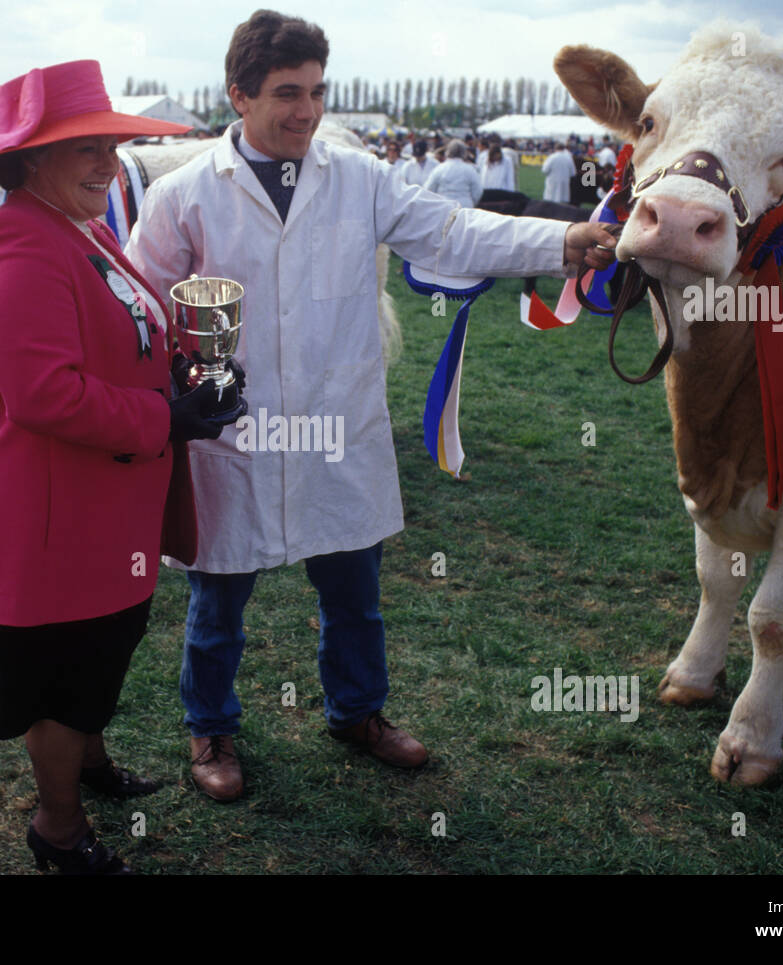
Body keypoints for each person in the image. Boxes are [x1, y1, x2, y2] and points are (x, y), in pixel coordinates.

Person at [126, 9, 614, 803]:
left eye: (317, 91)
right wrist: (177, 385)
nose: (308, 111)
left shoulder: (359, 178)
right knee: (218, 598)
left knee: (355, 593)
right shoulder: (184, 195)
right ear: (239, 95)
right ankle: (210, 725)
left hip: (336, 426)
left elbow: (451, 232)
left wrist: (556, 243)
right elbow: (145, 306)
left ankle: (357, 711)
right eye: (288, 93)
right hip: (235, 432)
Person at [0, 60, 245, 874]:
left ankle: (88, 762)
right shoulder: (19, 241)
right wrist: (167, 417)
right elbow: (45, 394)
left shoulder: (82, 227)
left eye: (111, 146)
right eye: (86, 147)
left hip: (103, 503)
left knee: (101, 652)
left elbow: (138, 324)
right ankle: (58, 826)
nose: (109, 163)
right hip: (52, 514)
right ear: (29, 158)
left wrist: (189, 369)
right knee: (62, 677)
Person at [424, 137, 482, 208]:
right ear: (464, 152)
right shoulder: (470, 170)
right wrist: (471, 202)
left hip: (444, 206)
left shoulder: (439, 169)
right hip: (465, 207)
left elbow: (429, 188)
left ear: (447, 151)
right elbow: (477, 190)